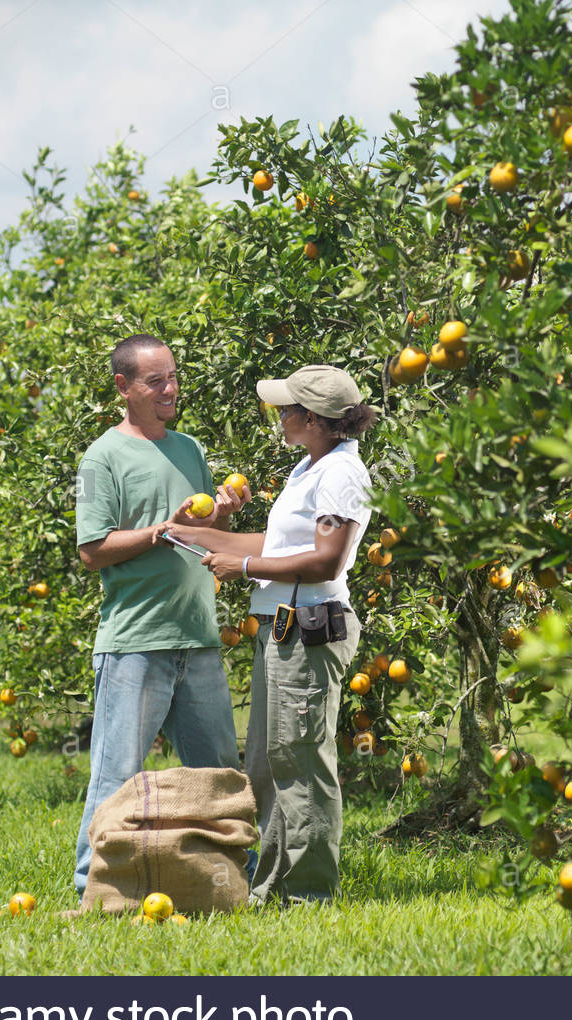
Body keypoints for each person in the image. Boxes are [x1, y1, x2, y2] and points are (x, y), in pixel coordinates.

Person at [161, 365, 376, 905]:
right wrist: (195, 533)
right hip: (284, 630)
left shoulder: (340, 475)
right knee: (271, 761)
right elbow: (278, 541)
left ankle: (309, 896)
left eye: (287, 409)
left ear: (315, 418)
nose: (279, 416)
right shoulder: (311, 466)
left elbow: (326, 560)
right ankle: (272, 888)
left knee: (301, 762)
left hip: (310, 627)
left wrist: (247, 566)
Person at [72, 333, 252, 897]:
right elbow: (91, 550)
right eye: (157, 381)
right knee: (115, 775)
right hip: (135, 641)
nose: (171, 389)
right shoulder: (102, 458)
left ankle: (232, 884)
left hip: (197, 636)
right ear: (124, 388)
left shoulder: (190, 448)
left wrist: (221, 514)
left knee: (218, 771)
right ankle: (91, 890)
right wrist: (157, 531)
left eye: (173, 377)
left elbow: (199, 537)